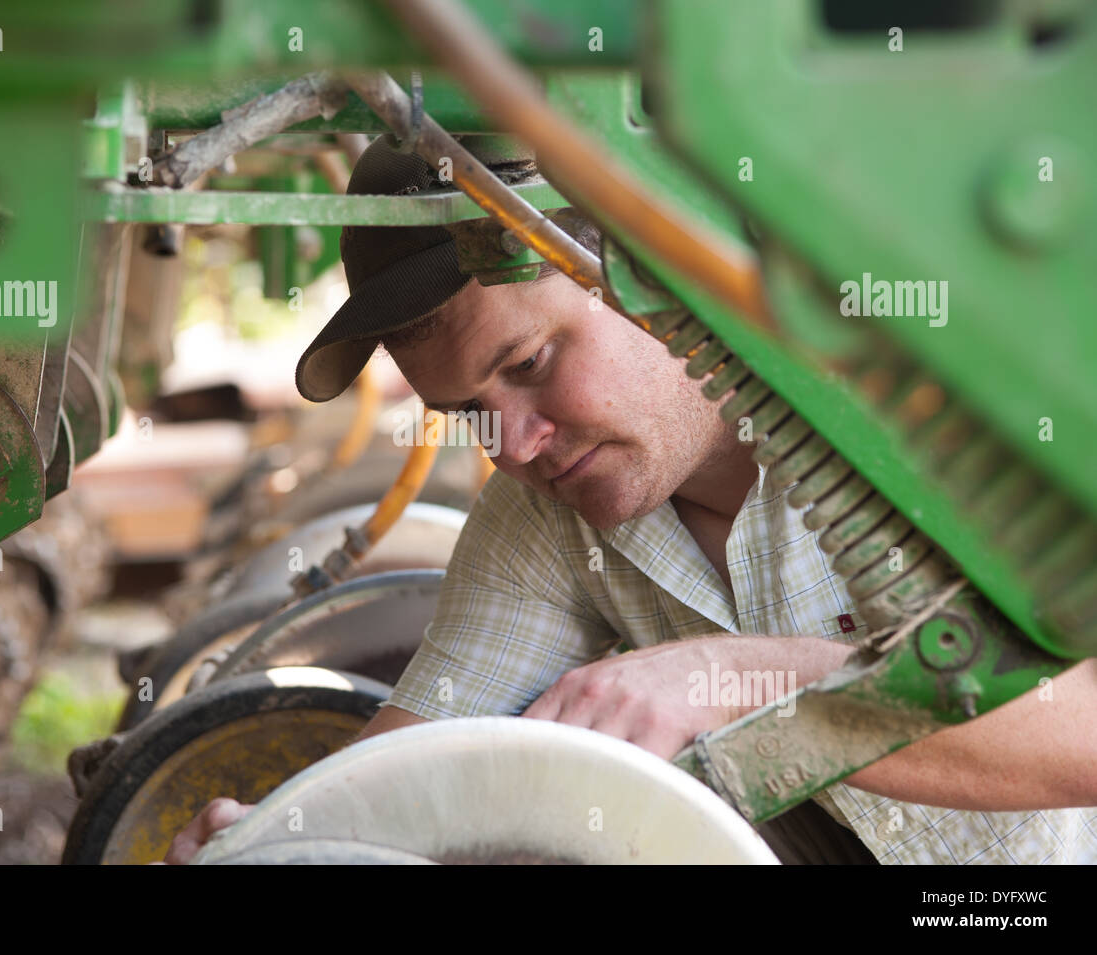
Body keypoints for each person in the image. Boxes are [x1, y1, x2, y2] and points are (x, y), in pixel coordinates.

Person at [164, 137, 1097, 865]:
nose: (514, 445)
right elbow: (421, 763)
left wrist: (732, 680)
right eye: (466, 414)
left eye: (529, 365)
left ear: (653, 276)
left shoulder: (942, 410)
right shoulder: (542, 523)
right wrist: (278, 833)